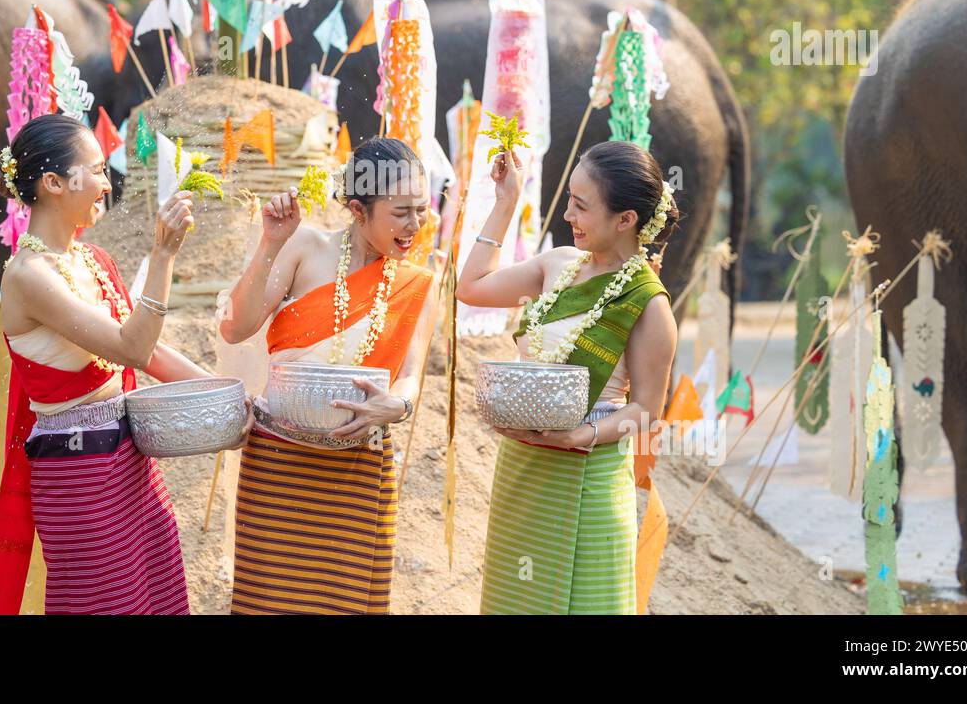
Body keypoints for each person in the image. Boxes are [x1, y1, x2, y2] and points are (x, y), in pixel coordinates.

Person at [0, 112, 230, 615]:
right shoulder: (28, 275)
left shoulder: (93, 259)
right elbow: (132, 349)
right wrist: (162, 257)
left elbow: (150, 352)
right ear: (53, 183)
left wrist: (224, 393)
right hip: (79, 476)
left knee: (161, 597)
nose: (106, 184)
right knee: (108, 603)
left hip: (131, 459)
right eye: (95, 171)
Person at [457, 139, 680, 614]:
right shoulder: (557, 265)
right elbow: (470, 288)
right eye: (569, 201)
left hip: (588, 474)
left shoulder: (649, 304)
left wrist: (581, 435)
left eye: (581, 205)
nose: (567, 215)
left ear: (625, 219)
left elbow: (646, 410)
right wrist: (505, 203)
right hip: (523, 465)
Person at [219, 137, 439, 614]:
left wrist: (397, 405)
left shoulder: (418, 283)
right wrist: (270, 243)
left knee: (345, 601)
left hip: (359, 466)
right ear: (358, 210)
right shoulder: (304, 248)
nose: (416, 225)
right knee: (269, 602)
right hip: (278, 465)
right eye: (402, 212)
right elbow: (235, 327)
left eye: (422, 210)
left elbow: (411, 376)